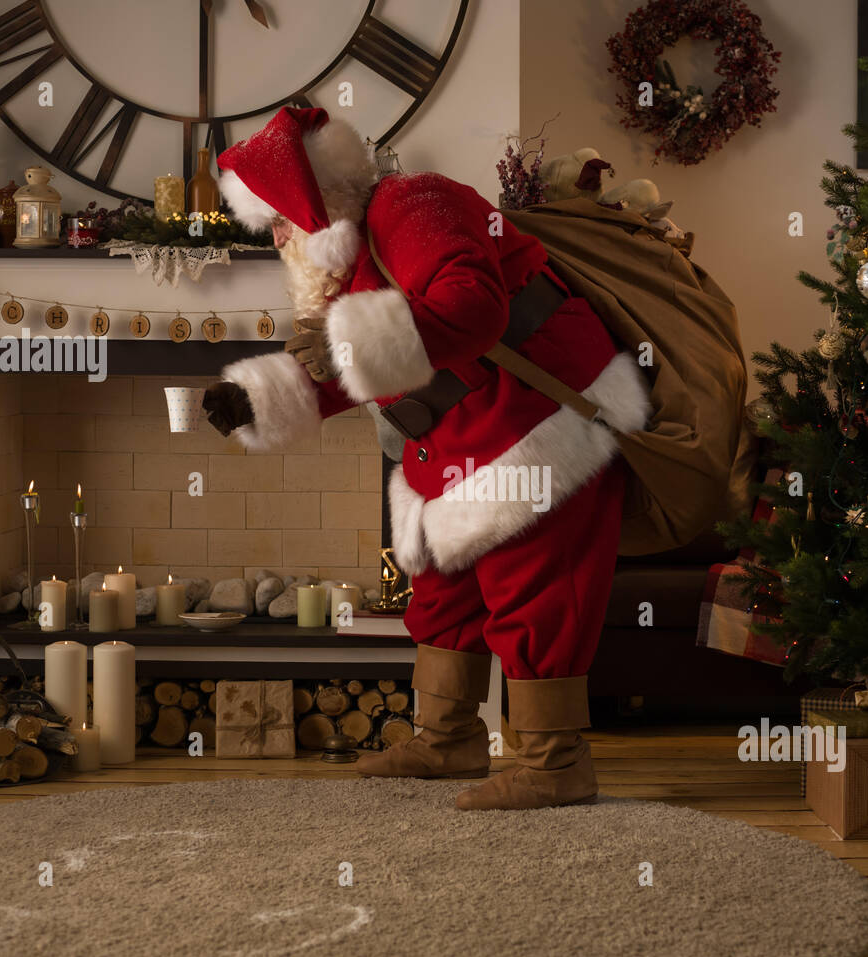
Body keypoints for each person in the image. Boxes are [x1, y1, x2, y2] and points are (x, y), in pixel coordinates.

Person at [202, 106, 648, 810]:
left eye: (280, 222)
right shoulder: (355, 267)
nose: (279, 239)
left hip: (538, 421)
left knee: (535, 588)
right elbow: (368, 358)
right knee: (443, 583)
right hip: (460, 436)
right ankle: (449, 737)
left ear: (315, 208)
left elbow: (473, 309)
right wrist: (262, 399)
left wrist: (349, 346)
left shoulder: (416, 204)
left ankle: (558, 762)